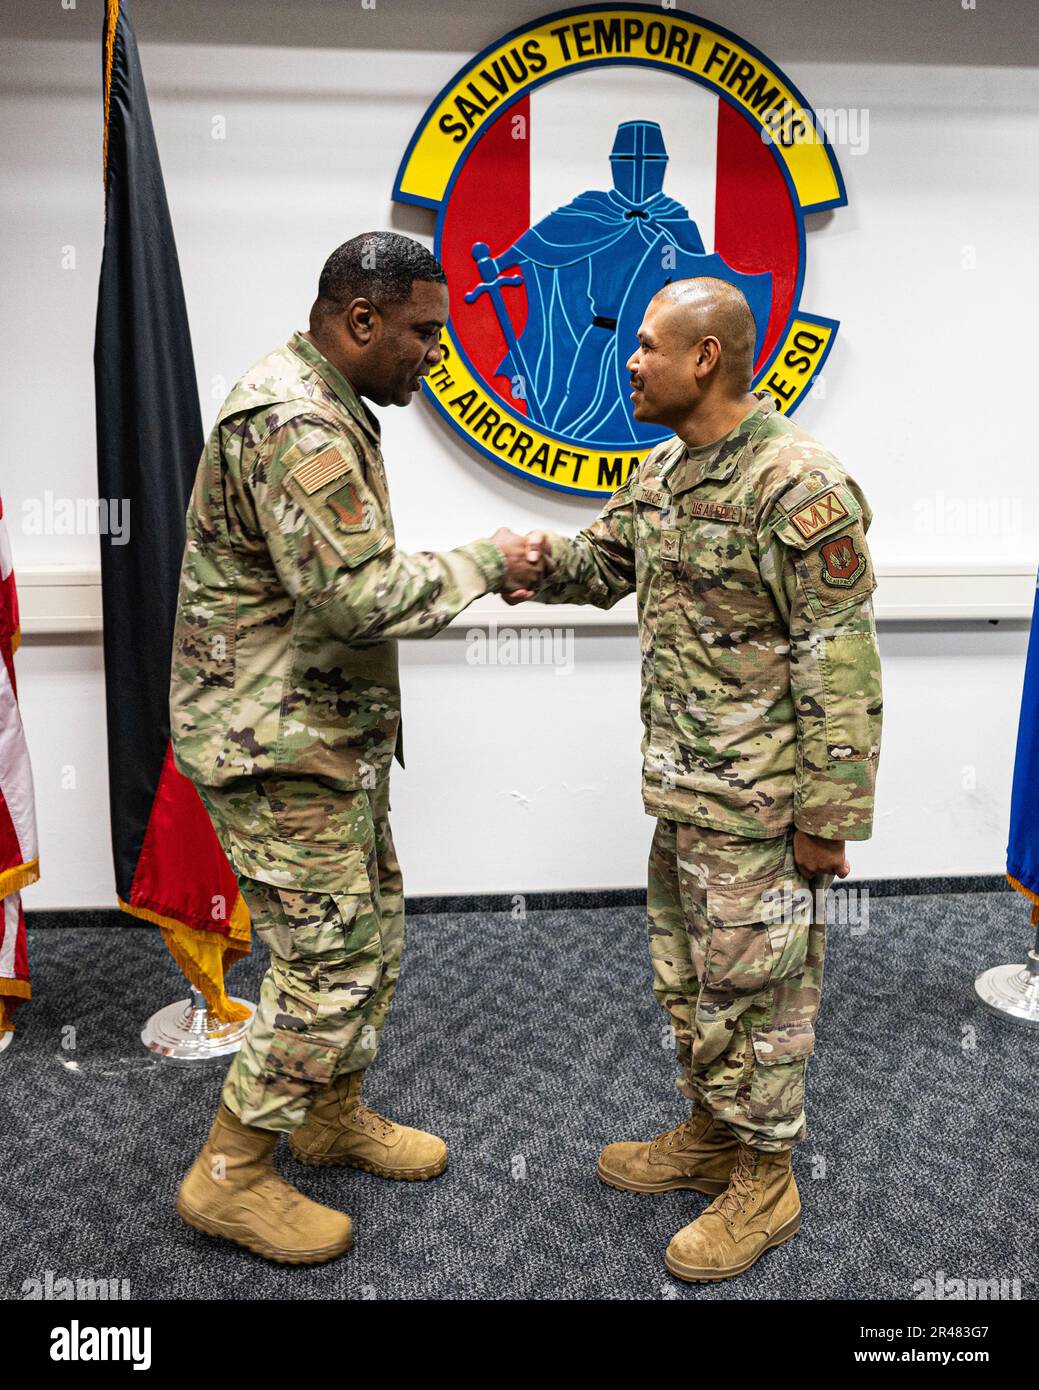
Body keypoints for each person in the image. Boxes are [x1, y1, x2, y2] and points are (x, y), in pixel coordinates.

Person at [168, 231, 544, 1264]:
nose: (436, 352)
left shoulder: (327, 397)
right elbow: (355, 597)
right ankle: (230, 1171)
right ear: (360, 318)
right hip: (273, 742)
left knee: (366, 930)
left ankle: (329, 1115)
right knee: (328, 962)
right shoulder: (298, 421)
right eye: (423, 331)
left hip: (319, 730)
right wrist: (486, 558)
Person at [516, 276, 882, 1282]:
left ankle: (765, 1179)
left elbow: (837, 659)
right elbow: (596, 567)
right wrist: (502, 560)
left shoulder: (797, 484)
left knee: (759, 996)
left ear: (704, 358)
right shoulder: (666, 475)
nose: (628, 361)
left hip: (763, 809)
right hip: (682, 796)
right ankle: (712, 1135)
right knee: (691, 984)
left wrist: (827, 817)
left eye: (645, 345)